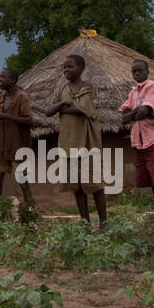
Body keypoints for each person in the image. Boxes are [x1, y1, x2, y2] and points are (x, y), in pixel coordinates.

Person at [46, 54, 107, 231]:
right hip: (68, 143)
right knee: (77, 185)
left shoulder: (88, 88)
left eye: (70, 67)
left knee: (96, 184)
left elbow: (84, 109)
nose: (66, 70)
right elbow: (48, 111)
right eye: (64, 67)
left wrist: (64, 108)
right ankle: (85, 222)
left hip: (88, 143)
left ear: (80, 69)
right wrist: (63, 103)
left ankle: (103, 223)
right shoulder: (62, 90)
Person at [119, 59, 154, 215]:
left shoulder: (153, 87)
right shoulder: (133, 93)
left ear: (148, 72)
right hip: (139, 142)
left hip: (152, 140)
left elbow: (142, 112)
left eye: (140, 70)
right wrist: (138, 111)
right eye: (134, 71)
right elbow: (123, 118)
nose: (137, 74)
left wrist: (134, 113)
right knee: (152, 183)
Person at [0, 68, 34, 204]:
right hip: (2, 144)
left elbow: (28, 120)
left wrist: (6, 116)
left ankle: (30, 208)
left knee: (21, 176)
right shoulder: (0, 99)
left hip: (18, 143)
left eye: (3, 77)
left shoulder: (21, 98)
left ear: (13, 80)